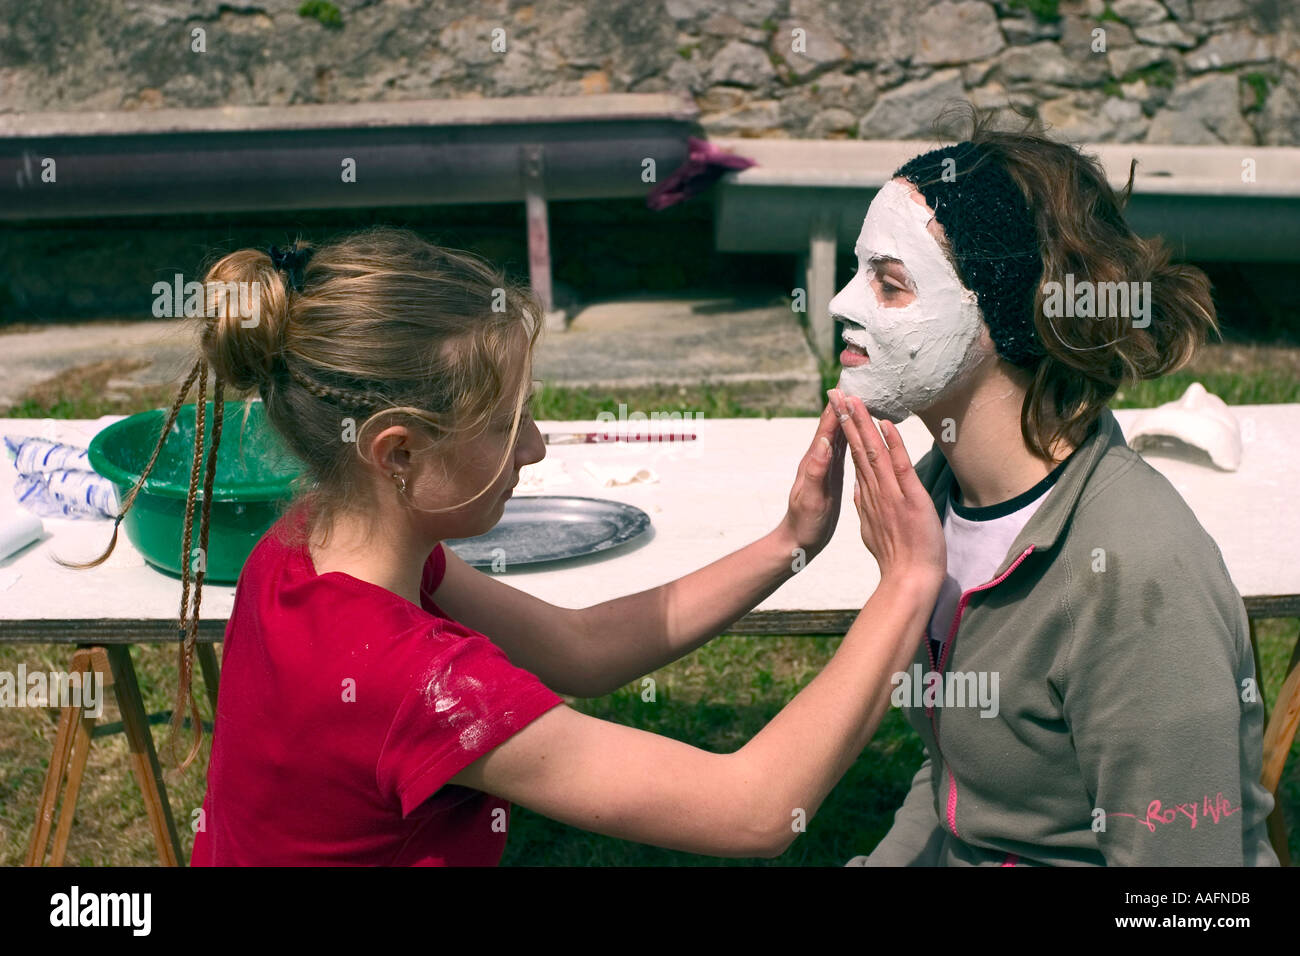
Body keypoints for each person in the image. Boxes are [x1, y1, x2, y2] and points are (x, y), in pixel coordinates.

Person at [67, 226, 947, 865]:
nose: (534, 446)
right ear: (398, 450)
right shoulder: (419, 684)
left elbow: (581, 649)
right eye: (506, 424)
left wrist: (788, 543)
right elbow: (752, 811)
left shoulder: (306, 546)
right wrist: (905, 586)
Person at [835, 110, 1278, 866]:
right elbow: (959, 772)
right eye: (858, 271)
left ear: (1001, 313)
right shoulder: (937, 497)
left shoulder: (1136, 575)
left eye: (890, 282)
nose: (844, 303)